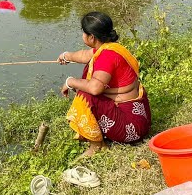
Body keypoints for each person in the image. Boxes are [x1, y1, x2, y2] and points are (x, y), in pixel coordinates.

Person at [58, 12, 151, 157]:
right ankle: (101, 135)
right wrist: (66, 56)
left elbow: (95, 89)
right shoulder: (110, 48)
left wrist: (70, 82)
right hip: (140, 119)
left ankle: (97, 146)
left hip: (131, 129)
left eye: (83, 32)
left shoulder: (106, 57)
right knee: (86, 80)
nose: (82, 35)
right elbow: (85, 55)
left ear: (91, 37)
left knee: (86, 94)